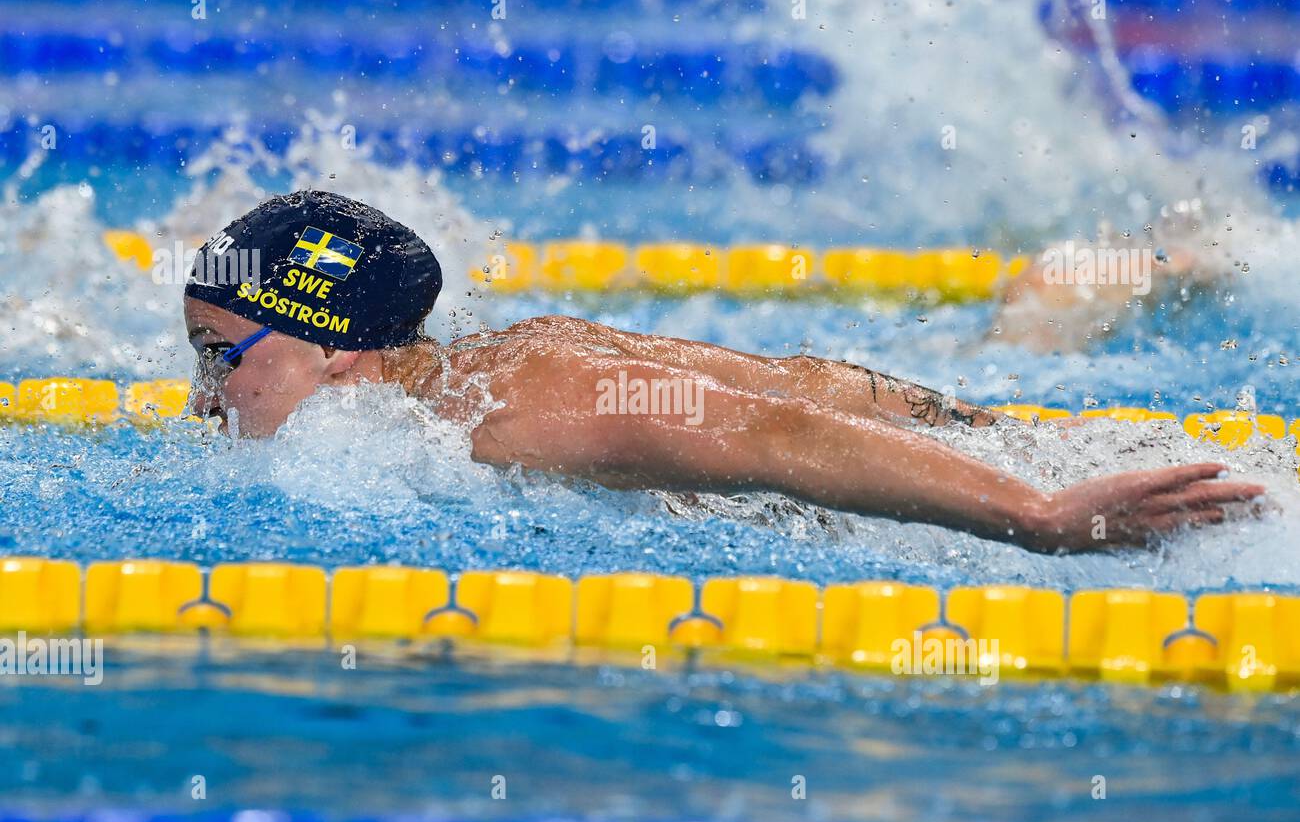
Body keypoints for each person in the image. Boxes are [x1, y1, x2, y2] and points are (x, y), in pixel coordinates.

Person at [184, 191, 1265, 553]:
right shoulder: (473, 377)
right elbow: (789, 382)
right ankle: (1081, 285)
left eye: (217, 355)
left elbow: (774, 433)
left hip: (939, 490)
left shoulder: (514, 402)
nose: (203, 396)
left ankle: (1080, 285)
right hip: (923, 443)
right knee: (1012, 368)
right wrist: (987, 431)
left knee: (1024, 369)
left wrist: (1035, 505)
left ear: (332, 345)